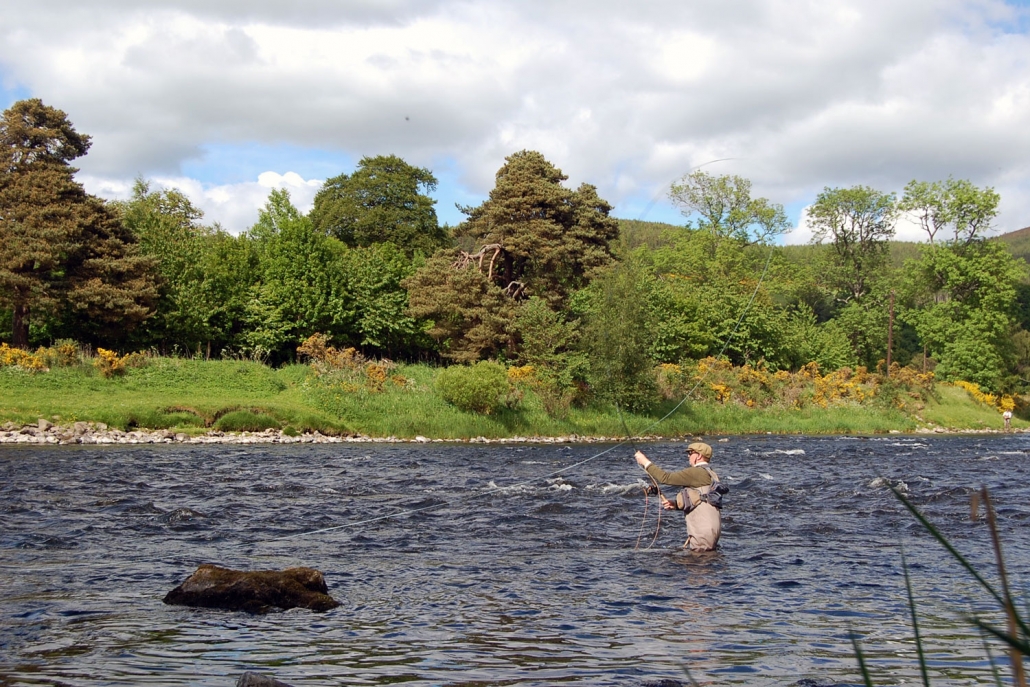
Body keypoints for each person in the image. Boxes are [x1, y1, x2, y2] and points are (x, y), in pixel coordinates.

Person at [634, 442, 723, 552]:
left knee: (700, 560)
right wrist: (676, 505)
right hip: (712, 529)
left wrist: (644, 462)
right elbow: (702, 498)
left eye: (690, 453)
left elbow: (665, 478)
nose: (688, 456)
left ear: (699, 455)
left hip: (703, 531)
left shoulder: (696, 472)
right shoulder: (711, 473)